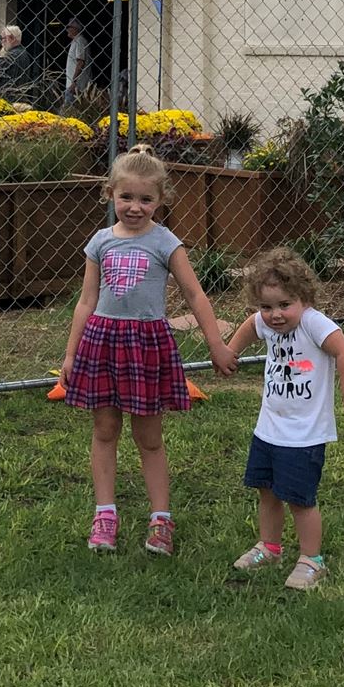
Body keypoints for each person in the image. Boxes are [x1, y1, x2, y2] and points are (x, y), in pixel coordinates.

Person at [60, 147, 235, 557]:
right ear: (110, 194)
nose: (135, 207)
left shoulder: (166, 242)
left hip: (146, 347)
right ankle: (105, 515)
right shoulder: (100, 243)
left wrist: (216, 344)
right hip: (102, 343)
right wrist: (71, 354)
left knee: (149, 438)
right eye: (126, 197)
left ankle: (161, 520)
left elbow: (194, 293)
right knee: (104, 430)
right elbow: (86, 302)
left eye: (145, 199)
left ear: (161, 200)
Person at [224, 246, 344, 592]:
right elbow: (250, 326)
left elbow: (343, 352)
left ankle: (311, 560)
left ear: (303, 298)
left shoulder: (314, 323)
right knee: (266, 491)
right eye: (267, 306)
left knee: (300, 499)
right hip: (269, 428)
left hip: (303, 434)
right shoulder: (265, 321)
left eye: (284, 305)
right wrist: (232, 351)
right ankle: (270, 547)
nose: (275, 315)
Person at [0, 23, 33, 105]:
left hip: (7, 100)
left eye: (4, 39)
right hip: (17, 98)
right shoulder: (23, 53)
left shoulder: (12, 55)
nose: (2, 42)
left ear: (12, 38)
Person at [61, 18, 89, 108]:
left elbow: (80, 62)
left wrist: (74, 82)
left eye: (69, 27)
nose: (67, 29)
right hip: (74, 85)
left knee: (68, 110)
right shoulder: (76, 41)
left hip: (75, 86)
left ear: (76, 29)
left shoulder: (79, 41)